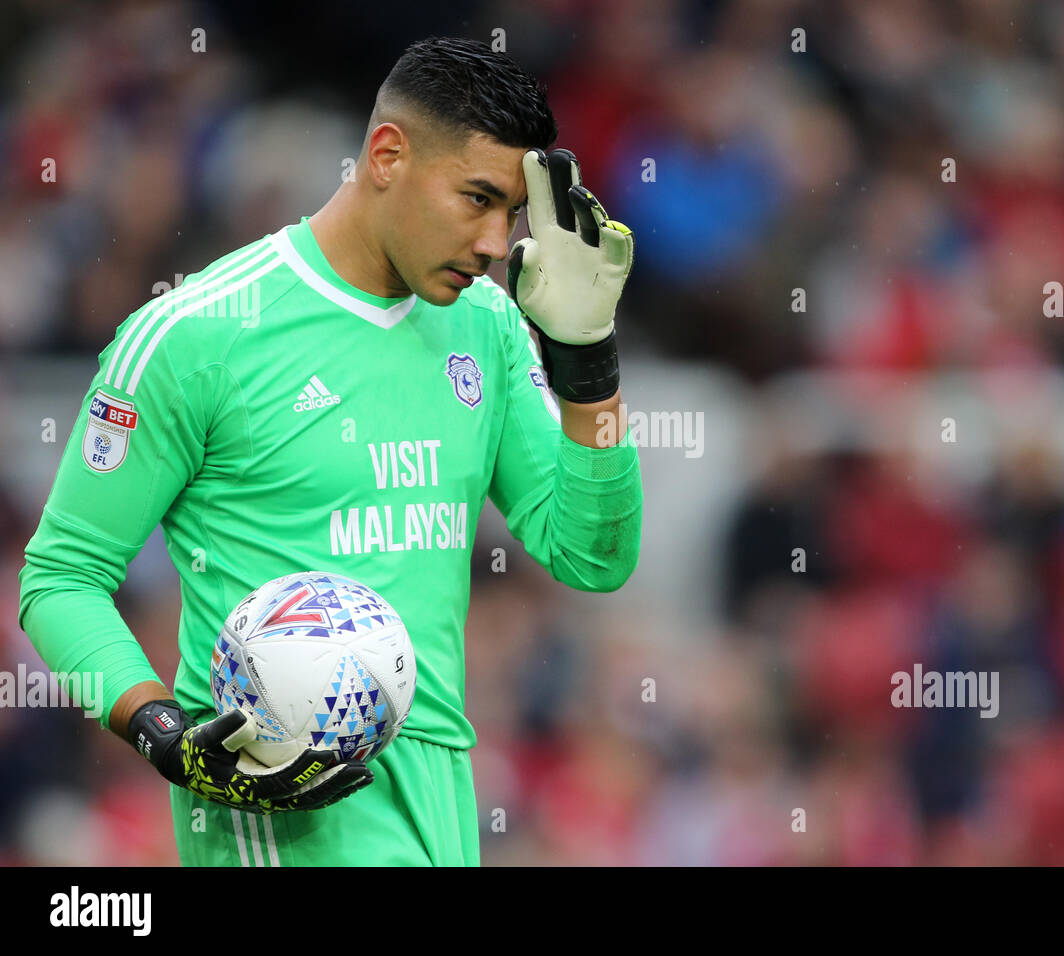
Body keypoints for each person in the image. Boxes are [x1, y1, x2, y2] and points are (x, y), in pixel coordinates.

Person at [17, 35, 641, 866]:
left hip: (440, 803)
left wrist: (589, 362)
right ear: (387, 154)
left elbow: (591, 554)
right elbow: (61, 577)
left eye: (512, 216)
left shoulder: (485, 327)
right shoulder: (197, 335)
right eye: (477, 199)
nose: (498, 243)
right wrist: (161, 730)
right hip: (280, 814)